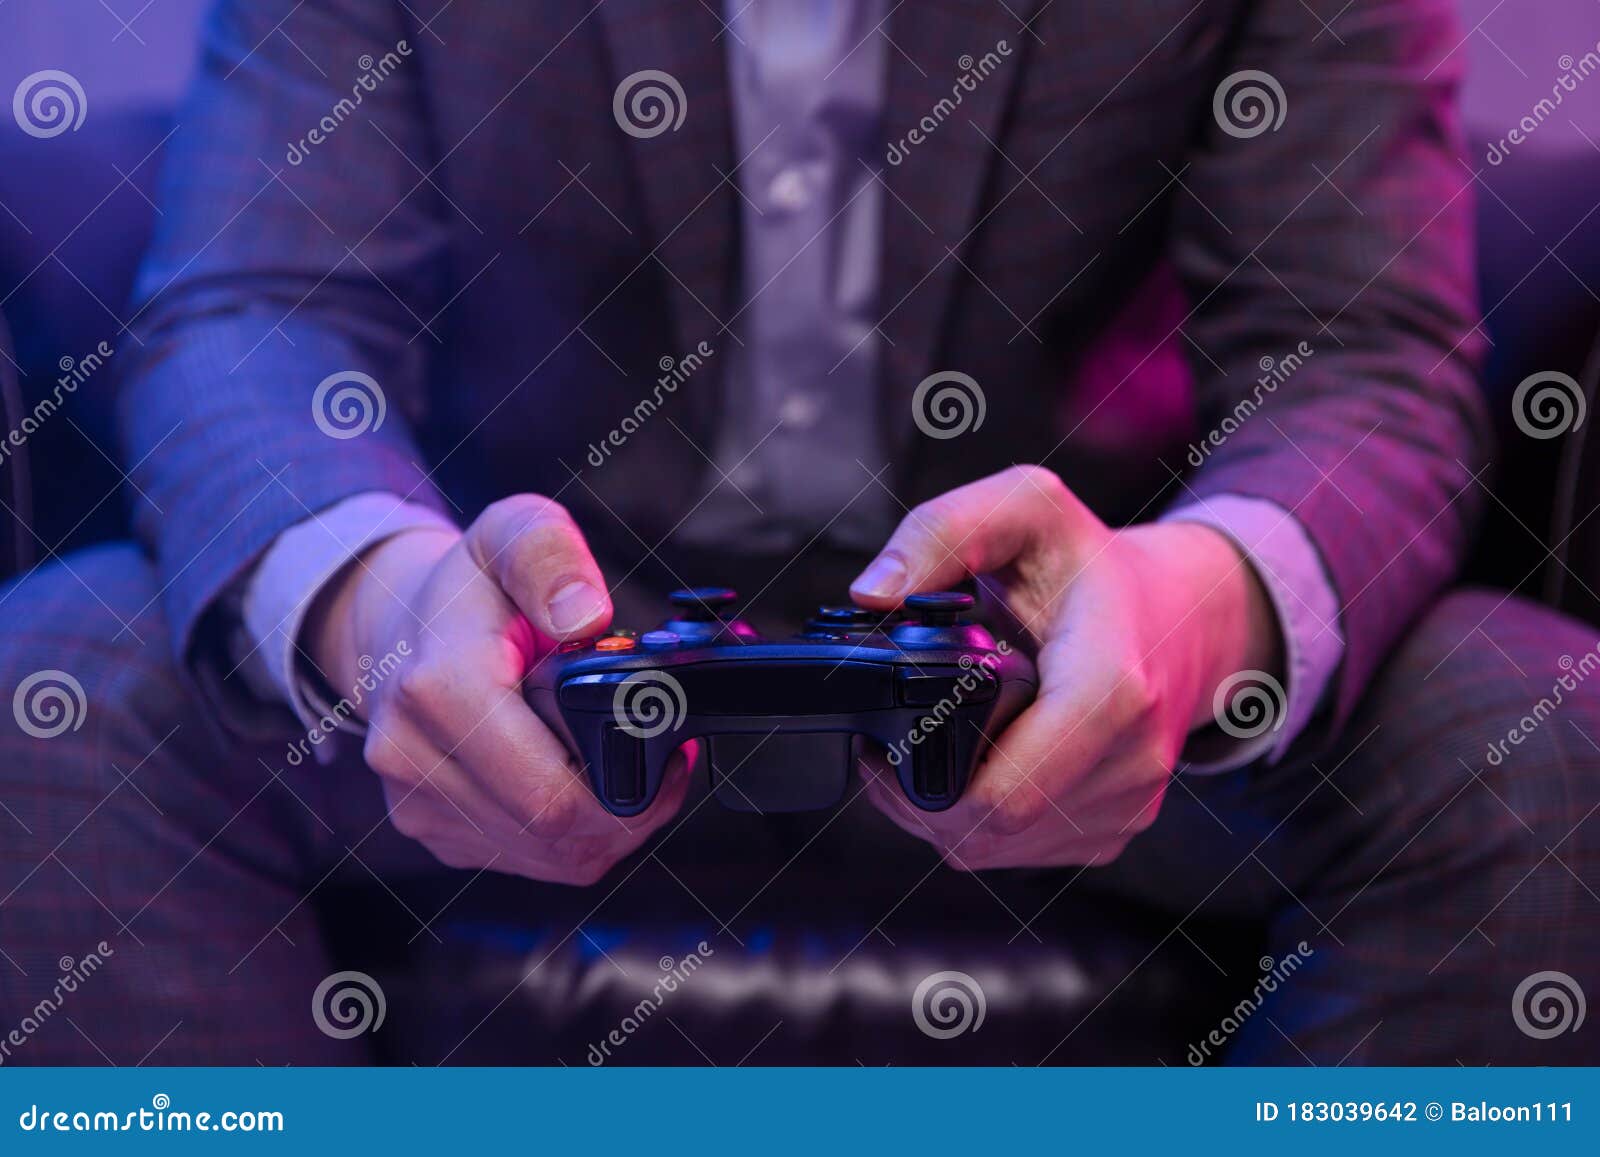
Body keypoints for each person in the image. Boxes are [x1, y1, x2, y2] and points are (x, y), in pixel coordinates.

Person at [0, 0, 1595, 1064]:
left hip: (1060, 671)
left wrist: (1185, 613)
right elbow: (258, 312)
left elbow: (1359, 356)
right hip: (539, 651)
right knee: (55, 692)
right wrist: (390, 605)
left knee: (1539, 729)